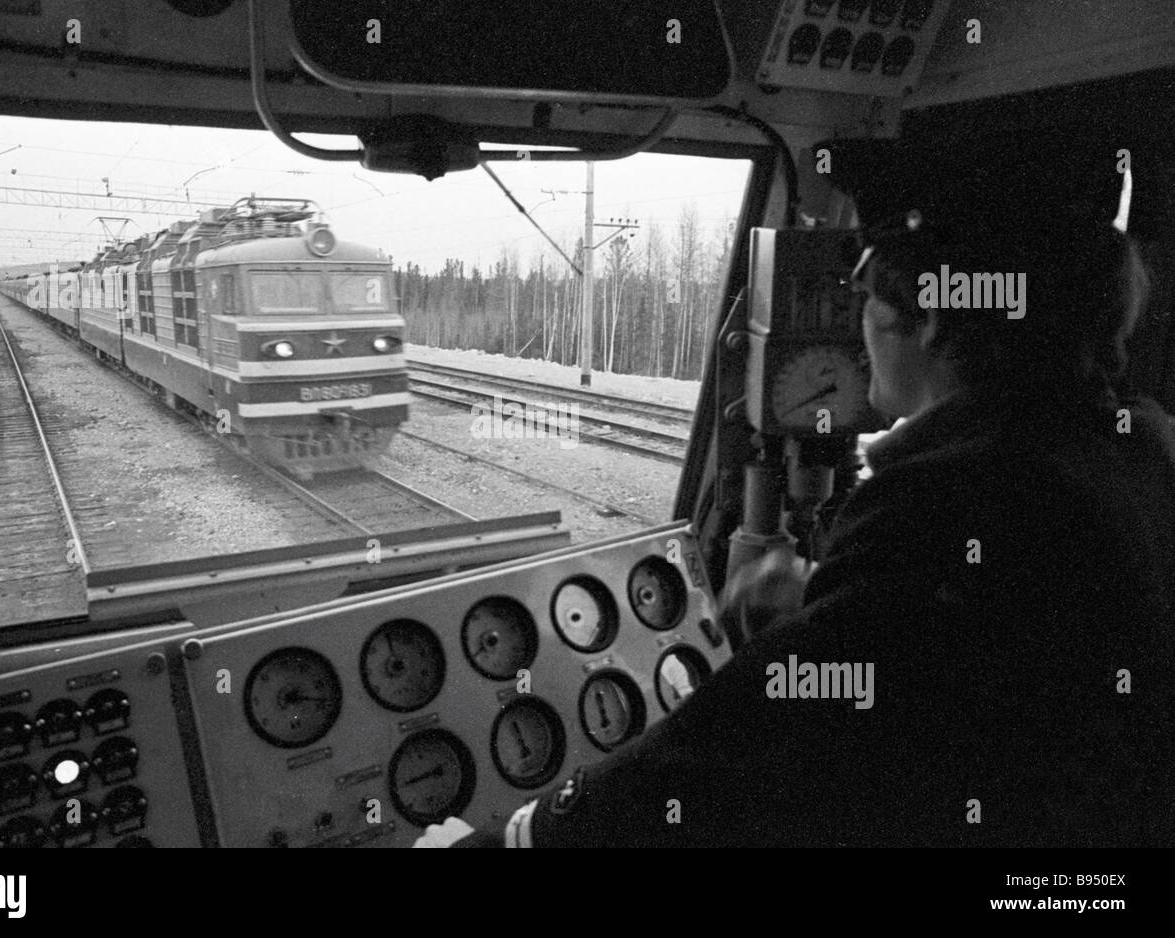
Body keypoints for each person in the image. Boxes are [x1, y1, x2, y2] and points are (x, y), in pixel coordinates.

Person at [418, 134, 1175, 847]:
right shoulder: (1139, 447)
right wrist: (819, 611)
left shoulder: (954, 497)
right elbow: (945, 661)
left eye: (864, 294)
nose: (855, 320)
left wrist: (512, 837)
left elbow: (729, 757)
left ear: (935, 319)